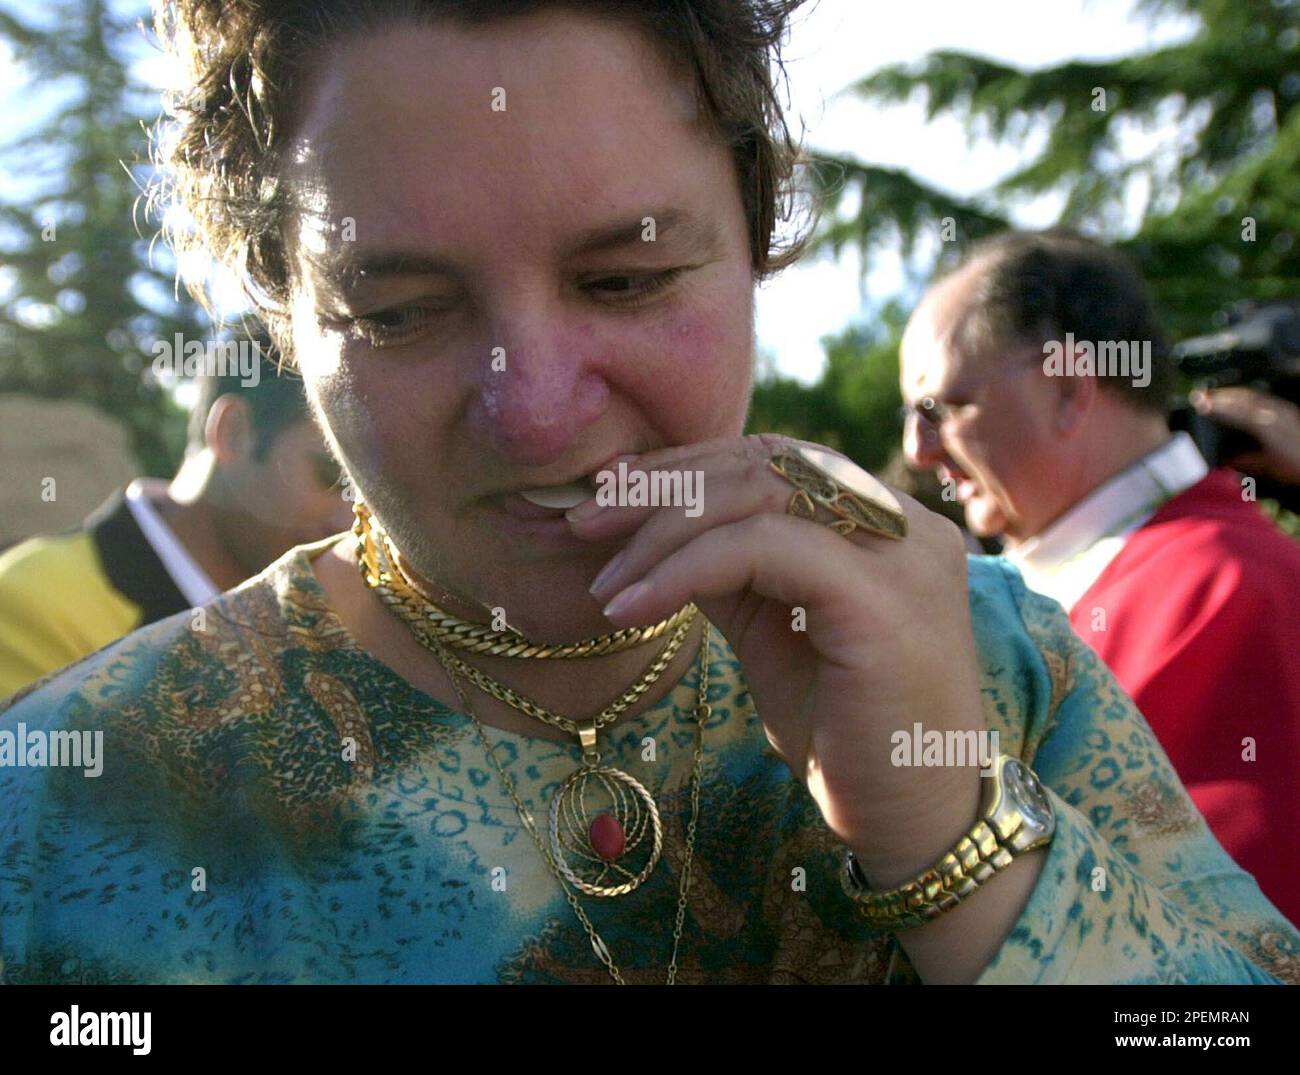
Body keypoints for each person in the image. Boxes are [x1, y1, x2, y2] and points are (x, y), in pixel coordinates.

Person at [0, 0, 1296, 986]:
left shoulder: (997, 661)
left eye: (627, 279)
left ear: (758, 244)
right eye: (398, 312)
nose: (537, 409)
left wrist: (962, 848)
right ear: (285, 319)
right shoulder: (76, 796)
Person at [899, 229, 1300, 926]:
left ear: (1068, 389)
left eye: (943, 407)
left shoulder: (1221, 588)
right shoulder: (1019, 580)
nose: (918, 448)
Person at [0, 346, 354, 698]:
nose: (352, 522)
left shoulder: (330, 633)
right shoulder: (29, 605)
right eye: (330, 477)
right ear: (233, 432)